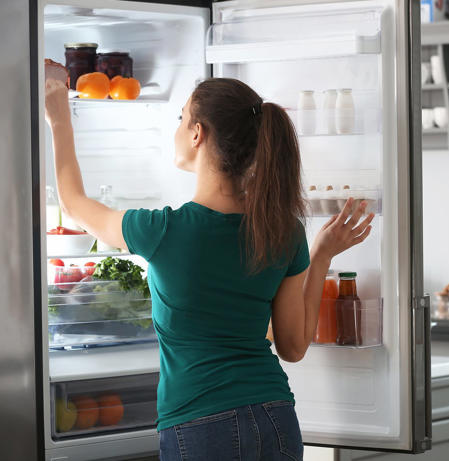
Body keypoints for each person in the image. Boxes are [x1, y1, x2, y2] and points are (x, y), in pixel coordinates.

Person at [44, 77, 374, 461]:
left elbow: (73, 205)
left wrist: (59, 118)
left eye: (181, 117)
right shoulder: (284, 230)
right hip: (275, 417)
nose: (178, 127)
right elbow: (294, 347)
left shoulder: (162, 230)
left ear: (197, 133)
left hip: (200, 426)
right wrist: (321, 258)